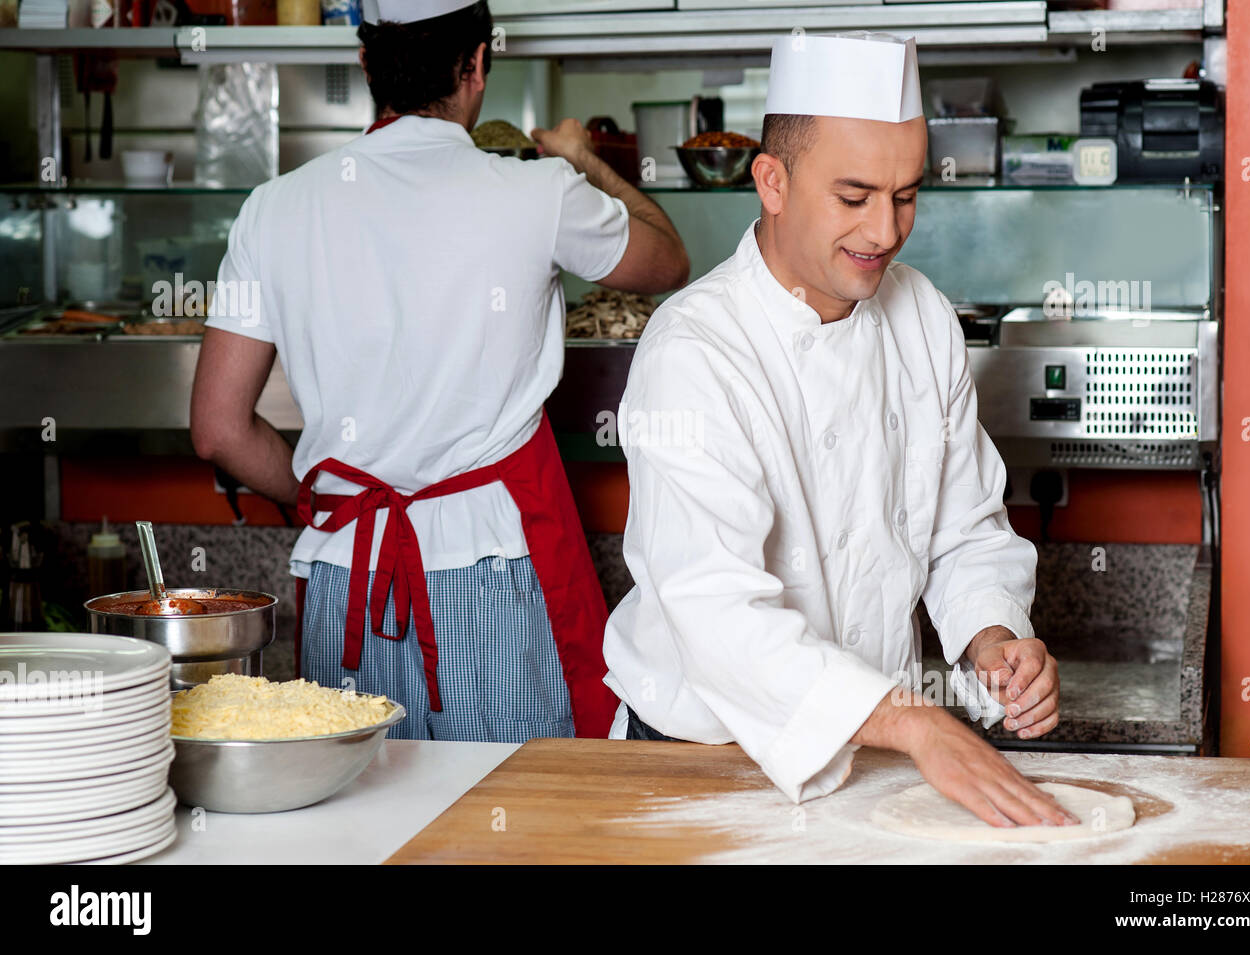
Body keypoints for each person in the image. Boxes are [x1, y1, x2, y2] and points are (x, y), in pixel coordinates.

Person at [604, 32, 1074, 828]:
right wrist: (917, 722)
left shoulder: (920, 312)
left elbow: (963, 531)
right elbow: (719, 616)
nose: (886, 231)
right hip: (703, 763)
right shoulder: (696, 351)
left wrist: (992, 639)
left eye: (907, 194)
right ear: (772, 181)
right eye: (854, 197)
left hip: (874, 754)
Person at [190, 0, 689, 743]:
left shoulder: (273, 208)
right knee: (509, 832)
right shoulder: (536, 192)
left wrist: (330, 497)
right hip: (492, 572)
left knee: (358, 835)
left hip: (343, 575)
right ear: (477, 64)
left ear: (365, 64)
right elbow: (669, 260)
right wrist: (578, 157)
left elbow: (218, 431)